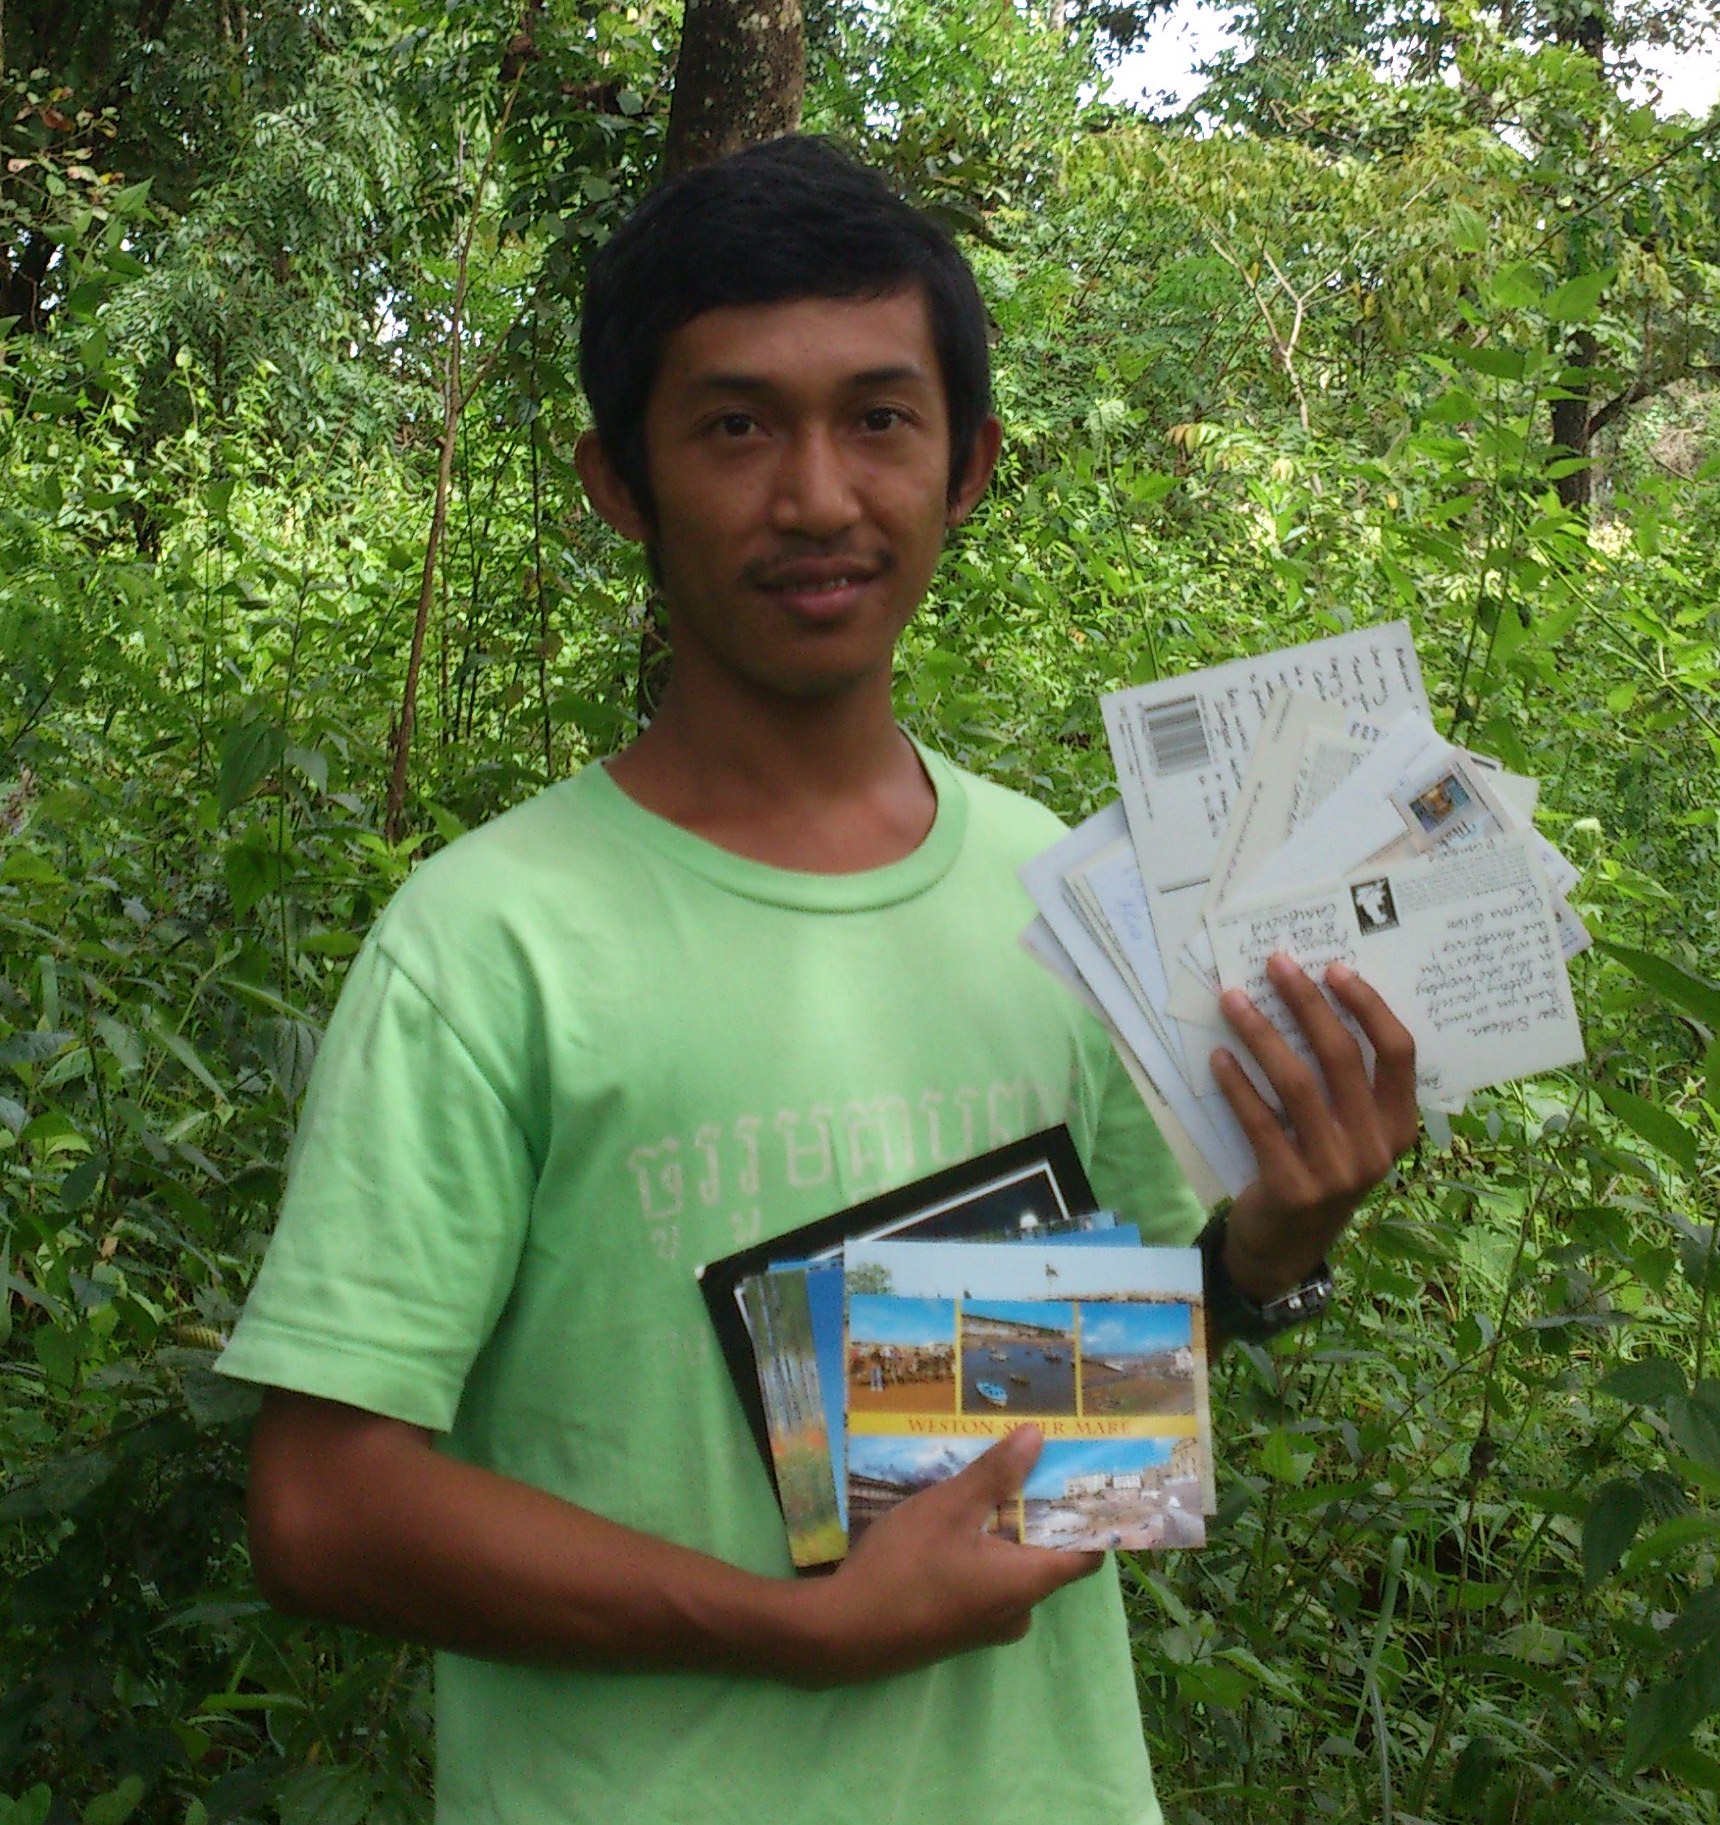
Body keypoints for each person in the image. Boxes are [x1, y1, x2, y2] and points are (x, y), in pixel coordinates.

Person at [218, 136, 1417, 1825]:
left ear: (971, 464)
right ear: (617, 483)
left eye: (877, 418)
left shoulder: (1067, 900)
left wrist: (1270, 1253)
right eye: (733, 426)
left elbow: (1109, 1386)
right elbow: (324, 1508)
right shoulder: (486, 941)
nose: (816, 498)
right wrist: (803, 1633)